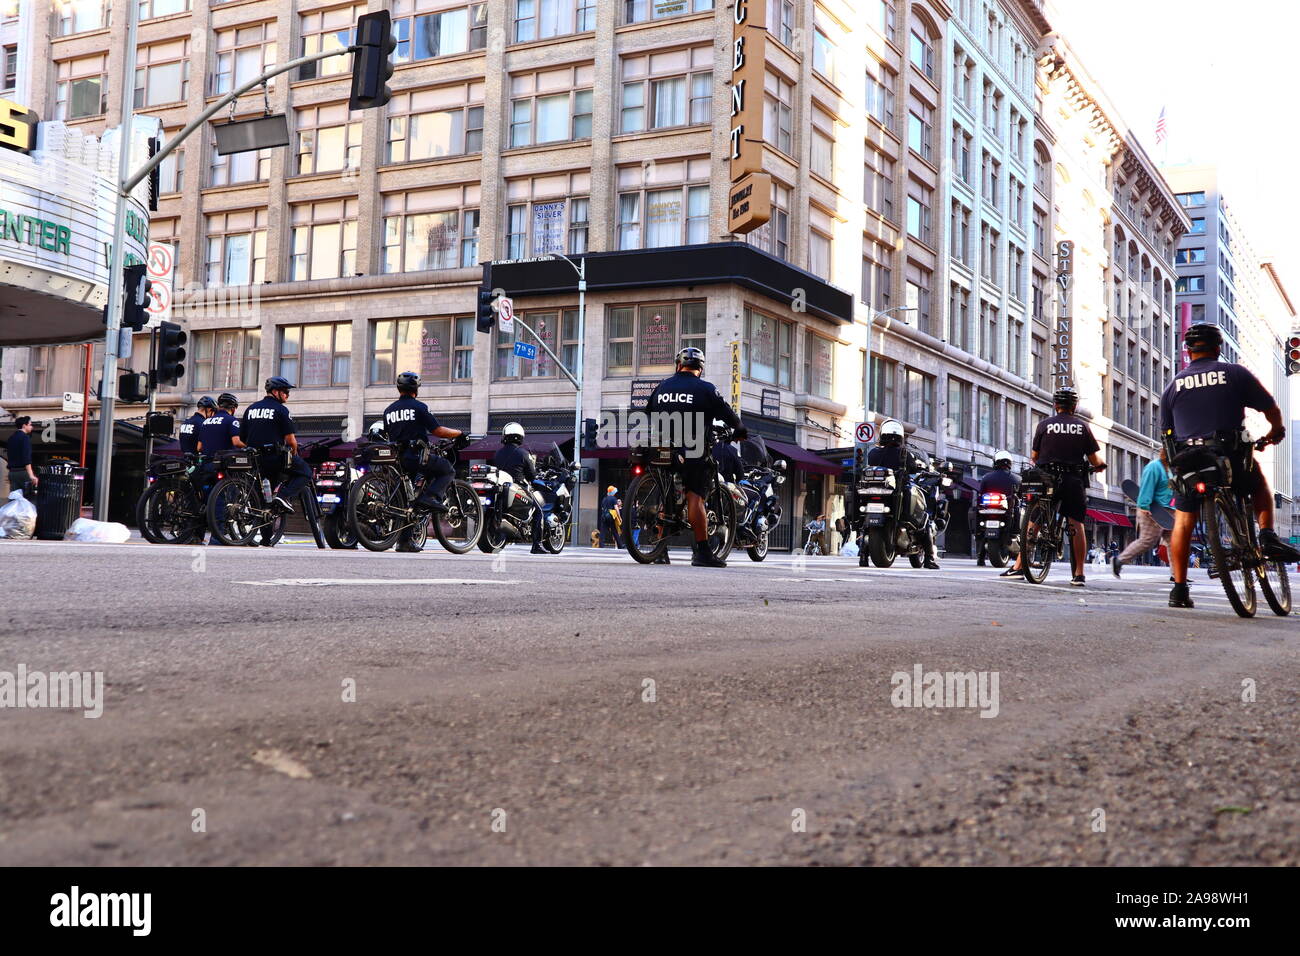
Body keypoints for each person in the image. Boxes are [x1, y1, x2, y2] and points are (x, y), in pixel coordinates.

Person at [1160, 323, 1299, 609]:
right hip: (1228, 455)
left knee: (1184, 520)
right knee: (1259, 484)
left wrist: (1171, 466)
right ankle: (1267, 536)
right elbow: (1270, 408)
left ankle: (1178, 589)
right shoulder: (1234, 373)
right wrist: (1276, 431)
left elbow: (1167, 437)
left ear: (1187, 352)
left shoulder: (1173, 386)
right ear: (1218, 347)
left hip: (1189, 460)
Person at [647, 346, 745, 568]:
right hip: (692, 448)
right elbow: (730, 416)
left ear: (678, 365)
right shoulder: (705, 388)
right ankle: (702, 552)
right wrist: (739, 430)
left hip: (661, 447)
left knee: (666, 494)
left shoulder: (661, 387)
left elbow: (647, 415)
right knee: (695, 497)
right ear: (700, 368)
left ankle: (660, 551)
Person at [1001, 386, 1105, 586]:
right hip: (1072, 480)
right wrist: (1100, 465)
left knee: (1036, 520)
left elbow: (1035, 456)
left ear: (1055, 405)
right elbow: (1093, 459)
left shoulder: (1044, 425)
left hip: (1047, 478)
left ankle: (1019, 566)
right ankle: (1079, 574)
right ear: (1074, 406)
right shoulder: (1082, 427)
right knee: (1076, 523)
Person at [381, 371, 464, 512]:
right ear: (416, 389)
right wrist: (459, 433)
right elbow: (437, 431)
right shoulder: (419, 407)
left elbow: (389, 435)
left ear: (398, 388)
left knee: (408, 503)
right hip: (416, 457)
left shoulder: (388, 411)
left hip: (397, 461)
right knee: (447, 470)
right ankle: (431, 497)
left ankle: (407, 529)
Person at [867, 420, 940, 569]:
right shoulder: (905, 453)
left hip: (874, 491)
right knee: (924, 520)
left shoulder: (873, 453)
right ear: (900, 436)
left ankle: (863, 555)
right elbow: (913, 469)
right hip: (900, 492)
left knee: (864, 523)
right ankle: (929, 559)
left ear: (882, 434)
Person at [241, 376, 313, 514]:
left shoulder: (250, 409)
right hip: (275, 457)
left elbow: (243, 438)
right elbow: (291, 441)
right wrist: (294, 454)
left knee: (263, 502)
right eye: (285, 391)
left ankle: (266, 533)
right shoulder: (281, 410)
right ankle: (283, 496)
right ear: (275, 392)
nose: (288, 395)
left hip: (255, 460)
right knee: (305, 472)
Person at [1112, 446, 1173, 578]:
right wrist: (1145, 506)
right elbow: (1147, 486)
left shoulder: (1172, 470)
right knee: (1147, 541)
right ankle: (1119, 560)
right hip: (1152, 510)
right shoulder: (1154, 467)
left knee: (1174, 543)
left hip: (1169, 513)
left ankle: (1177, 574)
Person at [492, 422, 546, 554]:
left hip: (500, 488)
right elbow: (532, 476)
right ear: (520, 436)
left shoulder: (497, 453)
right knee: (538, 511)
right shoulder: (523, 453)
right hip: (519, 487)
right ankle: (537, 545)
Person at [975, 450, 1020, 566]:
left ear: (995, 462)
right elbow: (1020, 496)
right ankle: (1017, 535)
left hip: (987, 511)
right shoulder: (1017, 479)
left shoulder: (986, 477)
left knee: (982, 529)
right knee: (1019, 508)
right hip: (1007, 512)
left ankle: (980, 557)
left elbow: (981, 494)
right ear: (1009, 463)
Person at [5, 416, 37, 499]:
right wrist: (31, 475)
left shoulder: (11, 438)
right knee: (27, 499)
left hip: (12, 473)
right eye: (30, 424)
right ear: (24, 426)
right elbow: (26, 457)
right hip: (23, 472)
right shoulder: (25, 437)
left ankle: (10, 512)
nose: (32, 427)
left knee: (14, 497)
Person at [599, 485, 622, 550]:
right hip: (611, 516)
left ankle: (601, 545)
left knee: (603, 531)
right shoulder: (614, 499)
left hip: (604, 516)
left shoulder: (604, 499)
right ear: (613, 492)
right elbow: (616, 508)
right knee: (614, 531)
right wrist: (619, 517)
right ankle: (620, 545)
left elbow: (602, 508)